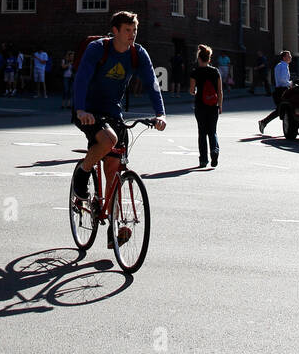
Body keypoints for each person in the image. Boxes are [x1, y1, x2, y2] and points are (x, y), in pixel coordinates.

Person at [71, 12, 167, 232]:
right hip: (88, 110)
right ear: (115, 31)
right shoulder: (98, 49)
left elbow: (152, 83)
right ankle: (83, 172)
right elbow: (82, 79)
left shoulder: (138, 54)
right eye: (127, 30)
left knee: (114, 170)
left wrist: (160, 114)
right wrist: (81, 109)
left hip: (113, 113)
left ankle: (113, 228)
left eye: (134, 30)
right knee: (109, 140)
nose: (132, 35)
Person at [189, 44, 223, 167]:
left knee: (202, 132)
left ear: (199, 58)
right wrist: (220, 105)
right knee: (212, 131)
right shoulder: (215, 72)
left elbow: (192, 90)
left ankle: (203, 160)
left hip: (200, 106)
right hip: (213, 105)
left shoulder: (195, 72)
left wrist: (196, 91)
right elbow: (220, 91)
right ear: (209, 59)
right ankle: (214, 150)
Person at [257, 50, 293, 135]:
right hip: (282, 90)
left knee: (281, 110)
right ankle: (289, 127)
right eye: (289, 56)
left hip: (279, 90)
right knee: (284, 109)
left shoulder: (279, 65)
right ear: (284, 58)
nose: (290, 57)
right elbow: (282, 80)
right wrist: (290, 83)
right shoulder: (284, 66)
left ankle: (289, 127)